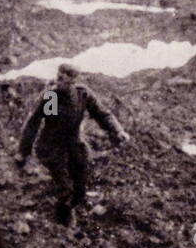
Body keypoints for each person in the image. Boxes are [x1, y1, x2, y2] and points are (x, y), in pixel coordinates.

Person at [15, 63, 128, 226]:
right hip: (52, 146)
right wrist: (23, 152)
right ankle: (63, 223)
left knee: (80, 189)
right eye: (58, 78)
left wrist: (118, 130)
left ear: (73, 81)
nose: (59, 82)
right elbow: (35, 123)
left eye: (64, 79)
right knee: (66, 189)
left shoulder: (82, 95)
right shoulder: (52, 97)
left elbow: (102, 114)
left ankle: (68, 209)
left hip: (74, 144)